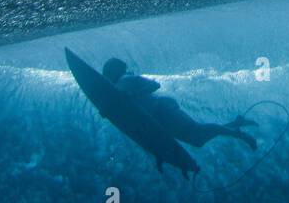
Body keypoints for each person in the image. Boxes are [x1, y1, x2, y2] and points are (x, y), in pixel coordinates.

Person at [102, 58, 257, 151]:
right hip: (157, 117)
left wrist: (132, 95)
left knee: (196, 130)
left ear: (113, 71)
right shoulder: (118, 87)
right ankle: (236, 123)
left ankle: (239, 134)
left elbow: (154, 86)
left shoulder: (127, 80)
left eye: (107, 73)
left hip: (163, 110)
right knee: (197, 140)